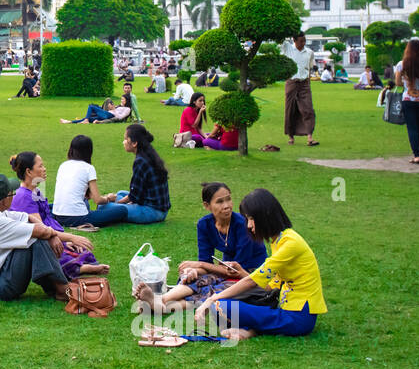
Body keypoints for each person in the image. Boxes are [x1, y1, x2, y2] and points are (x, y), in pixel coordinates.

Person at [194, 189, 326, 339]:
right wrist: (241, 272)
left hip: (298, 317)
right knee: (222, 306)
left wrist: (212, 298)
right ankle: (251, 330)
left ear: (265, 216)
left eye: (251, 219)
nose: (249, 225)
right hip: (284, 308)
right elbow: (269, 286)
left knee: (220, 305)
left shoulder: (290, 243)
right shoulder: (279, 240)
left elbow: (252, 281)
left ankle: (251, 329)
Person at [132, 181, 273, 314]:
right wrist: (193, 271)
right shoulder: (204, 224)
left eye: (228, 199)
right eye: (220, 201)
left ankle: (160, 305)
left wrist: (199, 265)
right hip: (227, 271)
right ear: (207, 205)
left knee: (214, 290)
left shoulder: (243, 224)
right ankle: (160, 302)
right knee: (196, 279)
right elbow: (207, 262)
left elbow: (235, 270)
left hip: (250, 274)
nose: (227, 205)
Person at [0, 174, 89, 301]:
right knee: (36, 239)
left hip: (0, 274)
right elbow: (39, 231)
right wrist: (54, 235)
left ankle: (58, 286)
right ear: (4, 200)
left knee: (34, 237)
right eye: (12, 193)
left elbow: (28, 217)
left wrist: (50, 235)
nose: (14, 196)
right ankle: (62, 288)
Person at [8, 152, 107, 278]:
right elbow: (41, 229)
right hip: (39, 240)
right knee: (59, 255)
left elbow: (48, 220)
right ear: (29, 172)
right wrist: (71, 238)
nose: (44, 169)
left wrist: (67, 241)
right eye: (40, 166)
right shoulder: (23, 196)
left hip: (51, 234)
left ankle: (80, 266)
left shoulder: (36, 191)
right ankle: (80, 269)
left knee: (80, 250)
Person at [89, 124, 171, 225]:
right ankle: (115, 202)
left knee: (104, 206)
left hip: (152, 212)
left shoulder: (140, 161)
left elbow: (134, 197)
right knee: (121, 193)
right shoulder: (149, 155)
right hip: (161, 209)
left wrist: (115, 202)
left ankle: (113, 206)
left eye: (125, 139)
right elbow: (137, 193)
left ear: (134, 143)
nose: (123, 142)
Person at [50, 134, 116, 228]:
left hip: (58, 215)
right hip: (78, 218)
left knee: (85, 201)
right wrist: (109, 198)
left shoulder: (63, 165)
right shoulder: (88, 168)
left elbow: (88, 196)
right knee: (122, 210)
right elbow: (97, 200)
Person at [392, 38, 419, 164]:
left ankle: (416, 154)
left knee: (412, 127)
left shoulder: (402, 64)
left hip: (408, 99)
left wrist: (407, 84)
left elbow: (398, 82)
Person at [282, 32, 320, 147]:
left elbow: (308, 67)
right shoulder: (288, 48)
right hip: (291, 82)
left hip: (304, 83)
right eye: (300, 41)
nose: (303, 43)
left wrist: (307, 80)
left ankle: (310, 137)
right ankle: (291, 136)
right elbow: (280, 38)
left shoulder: (309, 52)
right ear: (294, 40)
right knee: (290, 109)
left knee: (308, 109)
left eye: (304, 41)